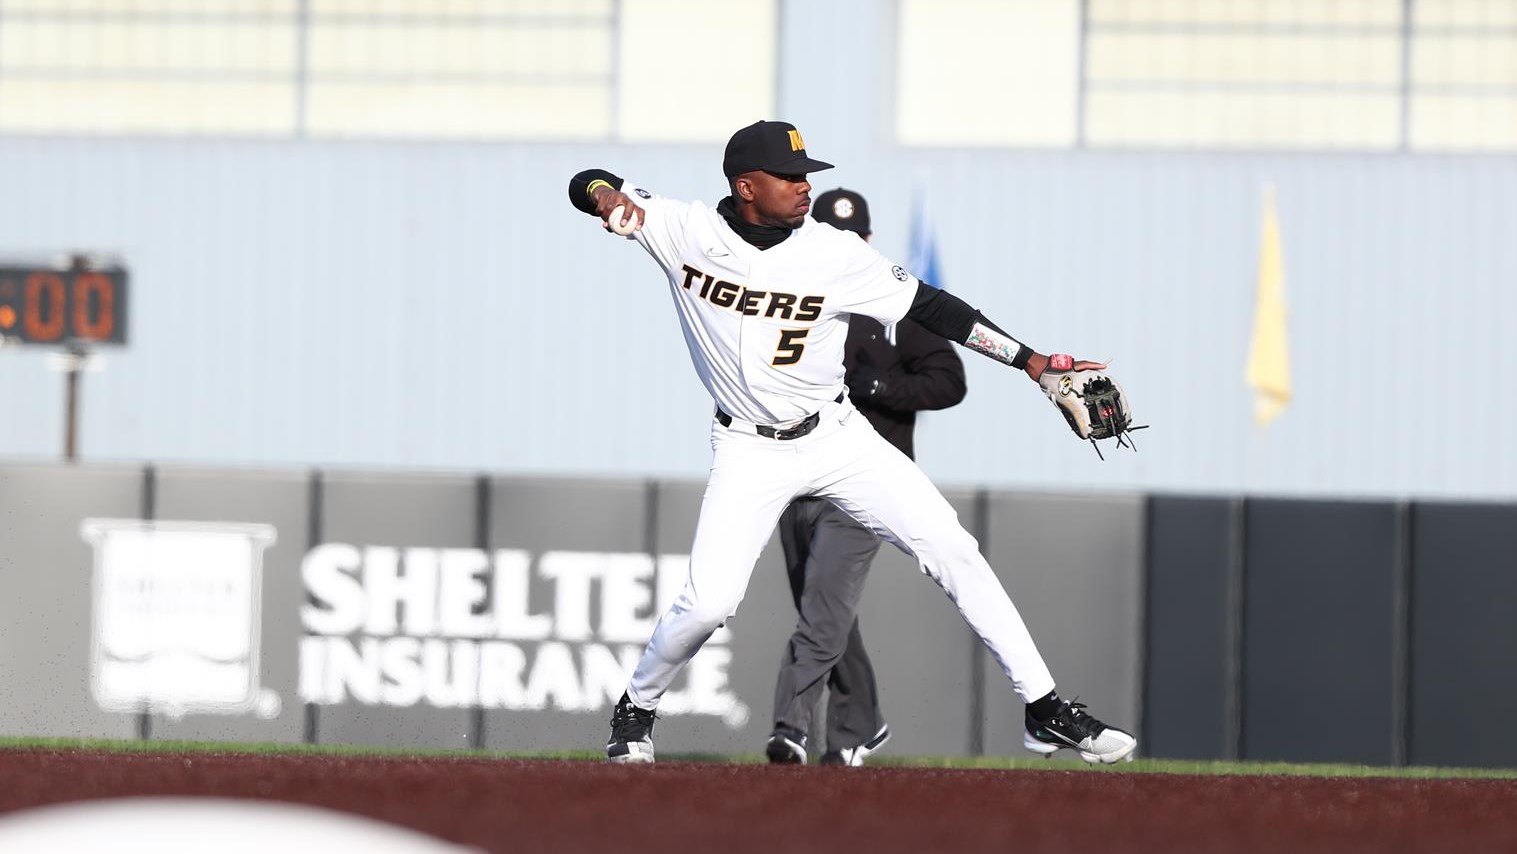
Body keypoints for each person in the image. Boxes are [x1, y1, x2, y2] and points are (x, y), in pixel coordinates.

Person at [567, 120, 1137, 766]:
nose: (804, 186)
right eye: (789, 176)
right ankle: (636, 708)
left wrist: (1031, 361)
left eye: (806, 173)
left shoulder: (833, 253)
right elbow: (587, 182)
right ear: (745, 186)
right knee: (707, 605)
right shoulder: (683, 230)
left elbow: (934, 308)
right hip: (747, 450)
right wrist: (605, 198)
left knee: (951, 545)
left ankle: (1044, 708)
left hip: (836, 437)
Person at [765, 187, 967, 767]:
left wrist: (879, 388)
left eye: (854, 237)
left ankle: (792, 730)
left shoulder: (894, 305)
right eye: (832, 233)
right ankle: (864, 723)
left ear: (870, 242)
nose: (845, 246)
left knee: (824, 605)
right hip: (794, 474)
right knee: (822, 608)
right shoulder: (793, 293)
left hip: (866, 481)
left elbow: (950, 381)